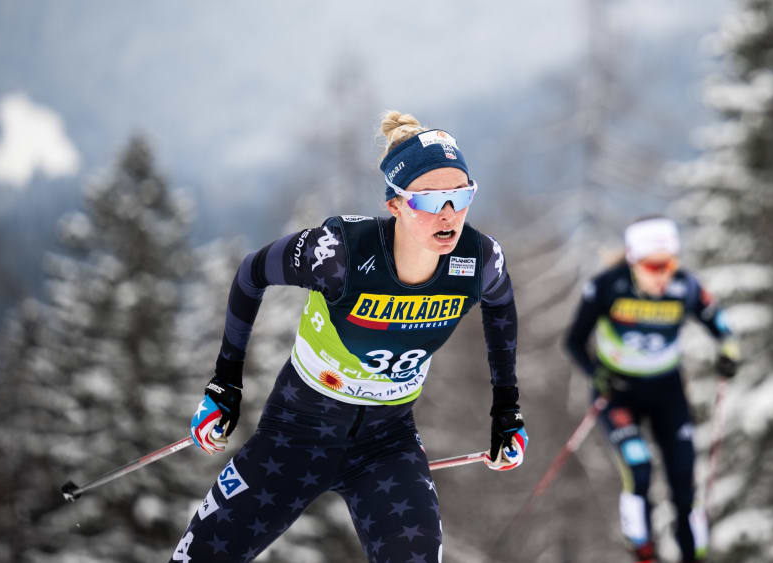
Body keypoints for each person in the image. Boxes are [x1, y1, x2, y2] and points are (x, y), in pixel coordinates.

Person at [170, 111, 528, 563]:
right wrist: (225, 385)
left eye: (461, 196)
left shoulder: (480, 260)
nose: (449, 214)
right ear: (395, 205)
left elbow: (501, 308)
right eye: (430, 200)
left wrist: (507, 410)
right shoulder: (338, 252)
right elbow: (251, 273)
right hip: (296, 433)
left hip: (387, 443)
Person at [564, 216, 739, 563]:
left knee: (683, 481)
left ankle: (693, 555)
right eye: (652, 266)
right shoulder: (607, 286)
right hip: (618, 393)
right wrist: (597, 375)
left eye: (669, 264)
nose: (662, 274)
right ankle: (643, 552)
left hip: (666, 391)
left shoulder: (686, 287)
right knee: (639, 467)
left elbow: (719, 323)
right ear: (633, 261)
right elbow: (573, 341)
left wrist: (729, 352)